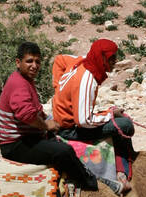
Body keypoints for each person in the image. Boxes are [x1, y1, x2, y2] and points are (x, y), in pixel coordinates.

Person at [0, 41, 98, 191]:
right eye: (29, 61)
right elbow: (27, 115)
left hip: (26, 138)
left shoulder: (25, 80)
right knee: (64, 152)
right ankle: (89, 185)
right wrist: (46, 125)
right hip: (16, 145)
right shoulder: (19, 84)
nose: (34, 65)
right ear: (18, 63)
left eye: (37, 61)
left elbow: (34, 110)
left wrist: (49, 120)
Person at [52, 38, 136, 166]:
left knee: (118, 119)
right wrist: (110, 114)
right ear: (101, 58)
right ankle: (123, 167)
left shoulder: (83, 60)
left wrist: (58, 87)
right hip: (69, 129)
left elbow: (59, 59)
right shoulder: (88, 81)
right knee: (125, 124)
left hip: (64, 119)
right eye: (111, 58)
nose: (115, 61)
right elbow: (83, 121)